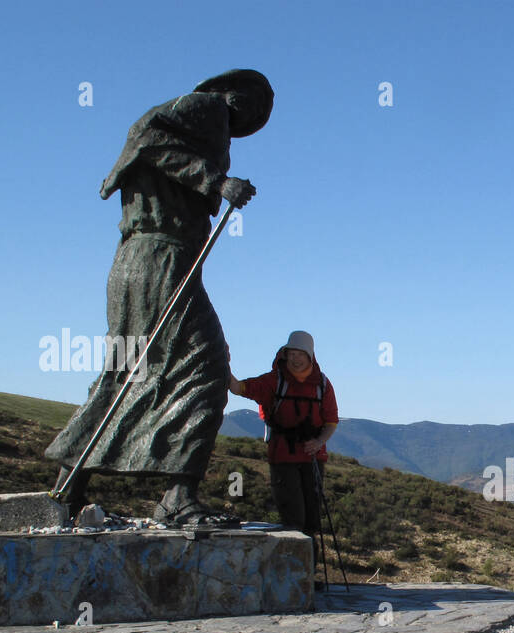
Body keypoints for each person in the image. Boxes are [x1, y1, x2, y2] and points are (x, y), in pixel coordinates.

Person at [46, 69, 274, 524]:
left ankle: (69, 488)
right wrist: (214, 180)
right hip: (160, 258)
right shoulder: (206, 107)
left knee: (128, 366)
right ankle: (176, 497)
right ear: (231, 92)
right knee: (205, 366)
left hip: (142, 260)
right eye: (251, 101)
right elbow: (144, 136)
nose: (250, 112)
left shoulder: (206, 122)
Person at [228, 330, 338, 576]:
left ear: (310, 356)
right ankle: (293, 578)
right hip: (283, 458)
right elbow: (238, 388)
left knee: (311, 521)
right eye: (291, 353)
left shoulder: (322, 384)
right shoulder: (273, 381)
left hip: (313, 459)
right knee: (293, 519)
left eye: (300, 354)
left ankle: (307, 577)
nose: (295, 359)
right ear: (285, 354)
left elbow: (331, 421)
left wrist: (318, 442)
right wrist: (223, 363)